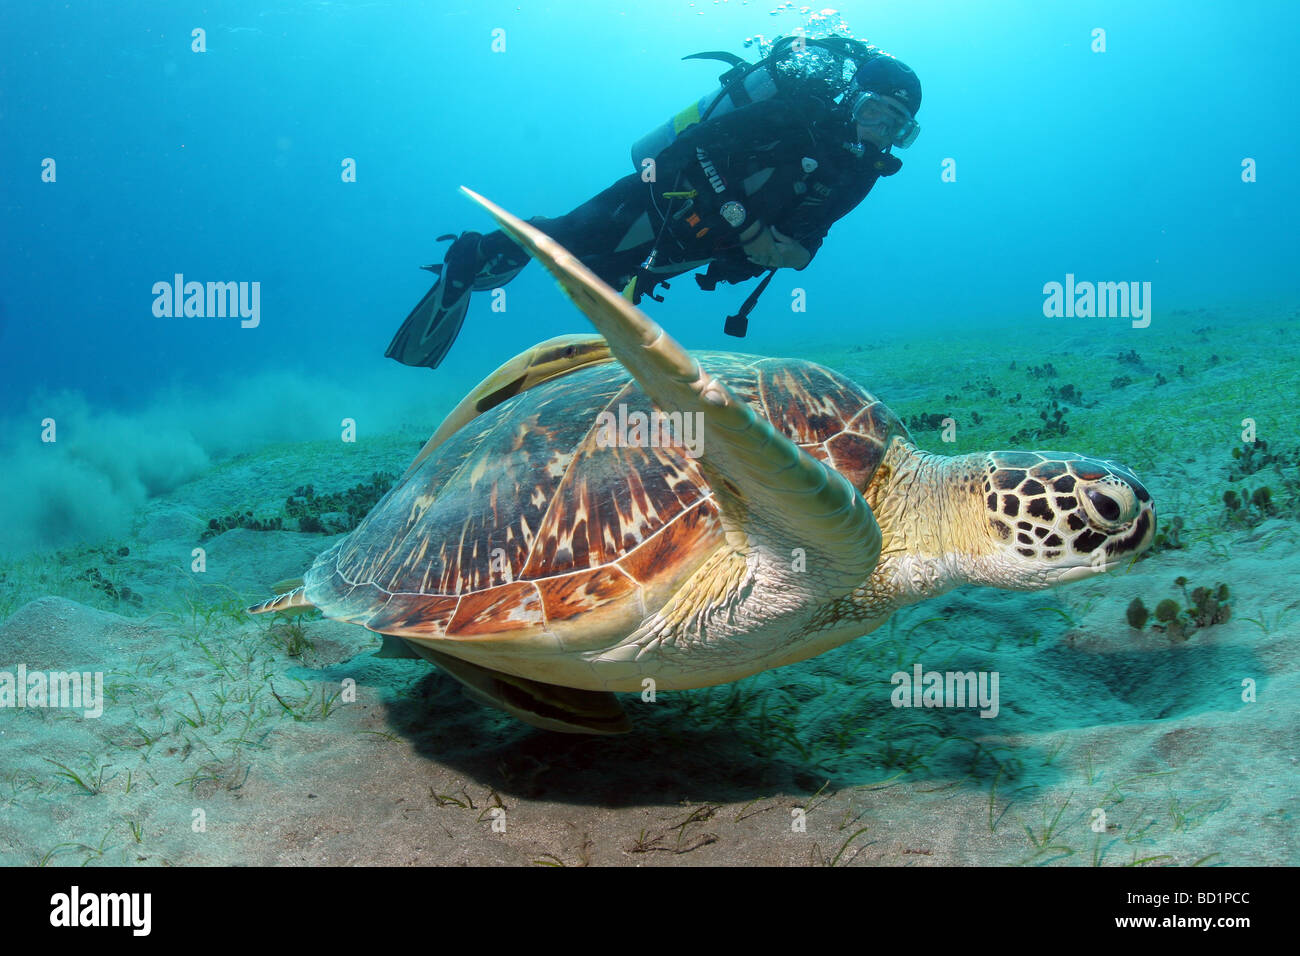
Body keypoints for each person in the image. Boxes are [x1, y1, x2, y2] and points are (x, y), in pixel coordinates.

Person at [386, 43, 921, 369]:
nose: (881, 133)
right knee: (566, 240)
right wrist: (751, 228)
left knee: (592, 277)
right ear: (853, 95)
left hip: (694, 247)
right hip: (655, 196)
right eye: (875, 112)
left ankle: (498, 263)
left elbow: (815, 230)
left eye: (897, 127)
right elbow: (692, 149)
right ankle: (475, 255)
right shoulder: (792, 114)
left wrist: (798, 256)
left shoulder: (861, 173)